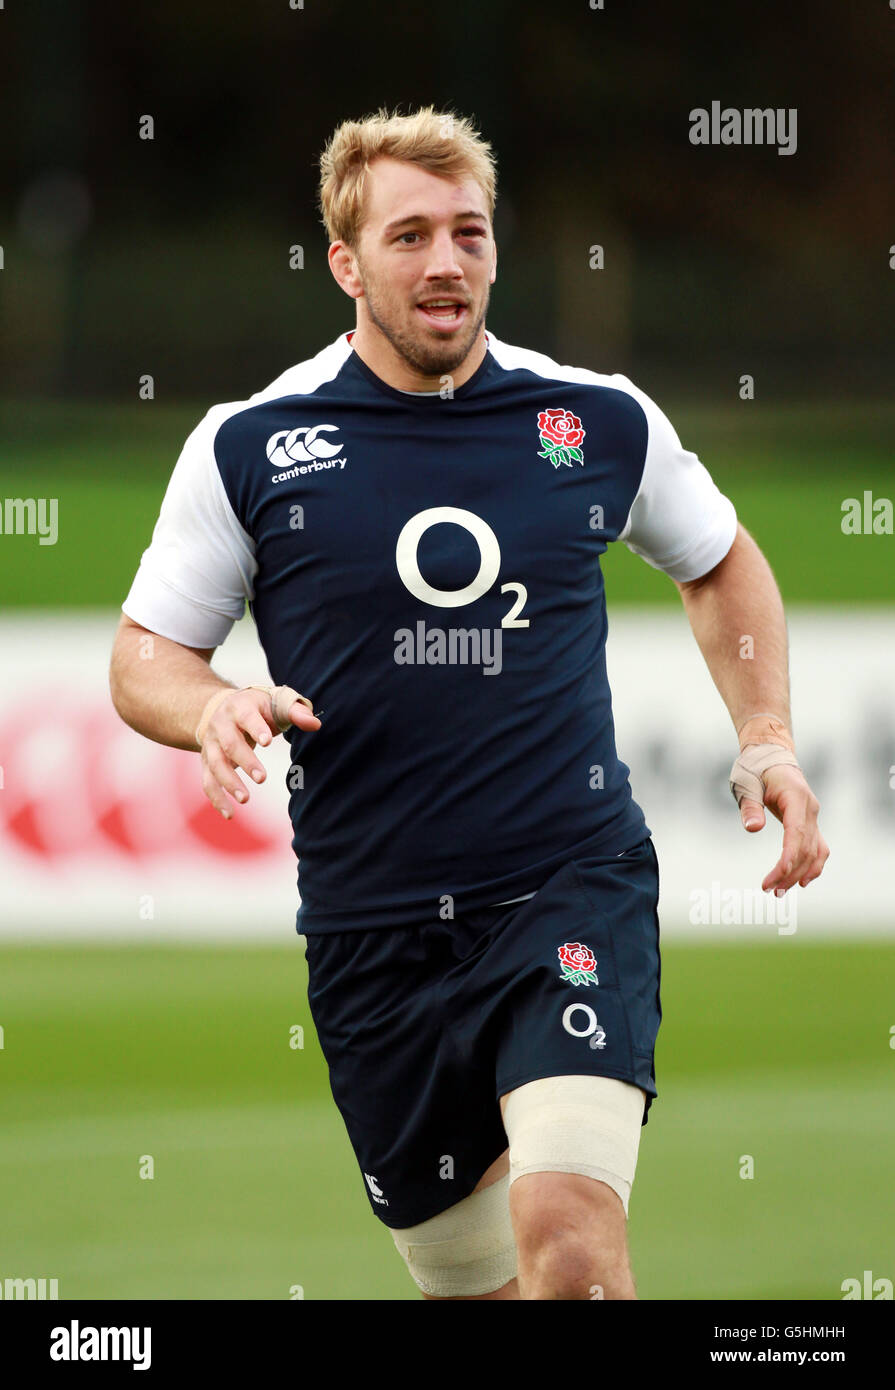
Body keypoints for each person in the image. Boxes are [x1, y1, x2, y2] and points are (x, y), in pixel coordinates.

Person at [109, 106, 829, 1300]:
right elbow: (144, 655)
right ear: (345, 262)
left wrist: (765, 738)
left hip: (566, 887)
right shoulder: (252, 443)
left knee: (573, 1248)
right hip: (371, 935)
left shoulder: (593, 418)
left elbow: (719, 560)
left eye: (469, 233)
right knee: (477, 1287)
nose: (446, 263)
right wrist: (209, 706)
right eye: (408, 237)